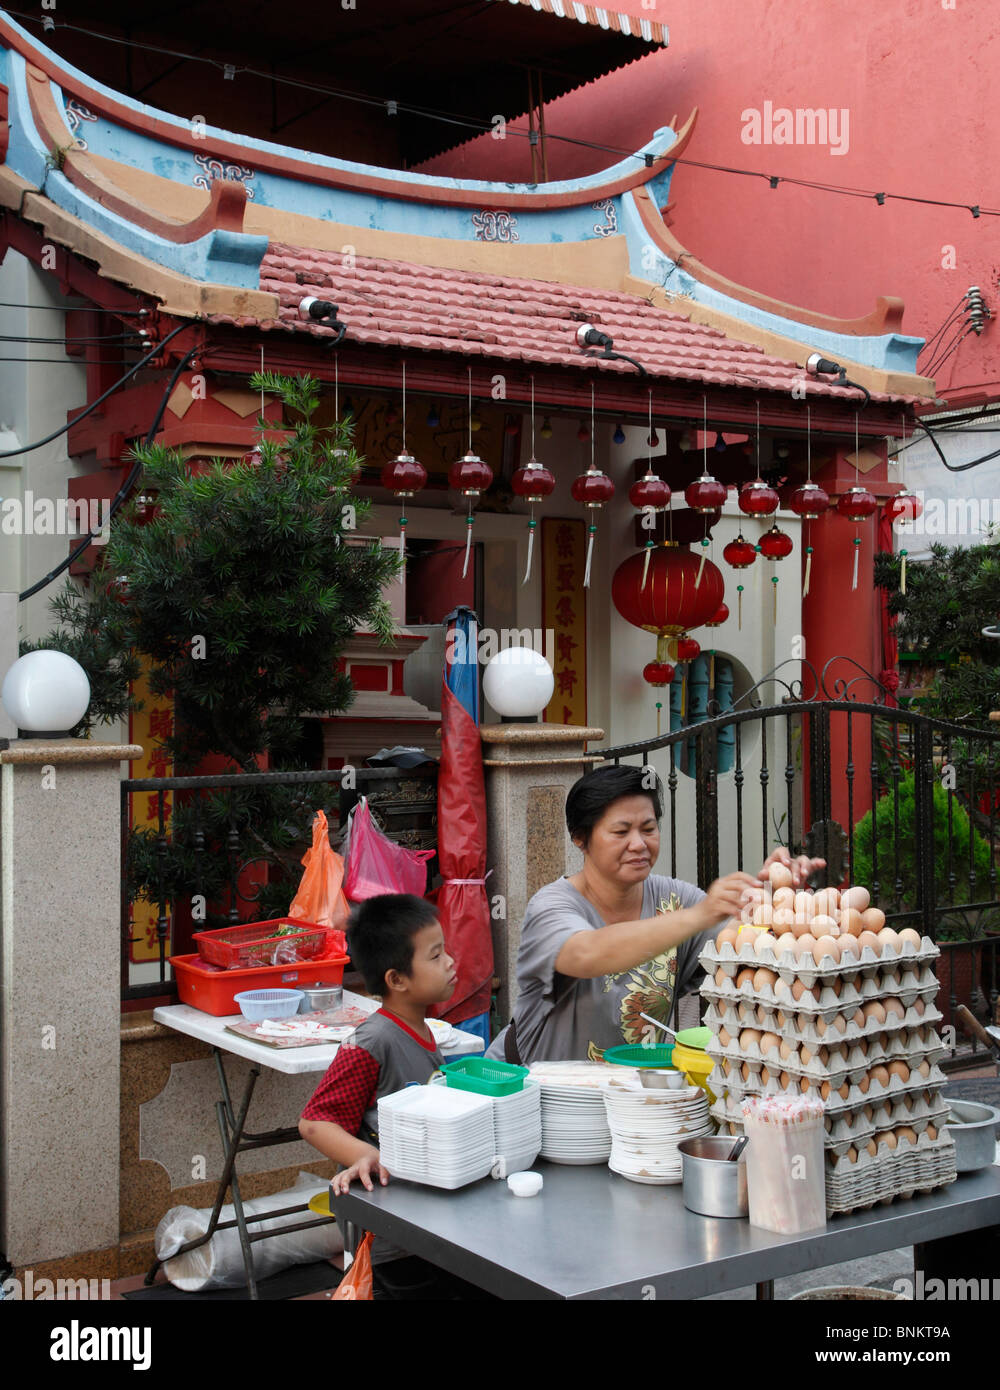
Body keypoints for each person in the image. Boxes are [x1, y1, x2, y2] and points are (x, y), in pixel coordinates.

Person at [487, 763, 825, 1065]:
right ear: (580, 838)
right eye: (621, 832)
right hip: (538, 1096)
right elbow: (587, 952)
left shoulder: (675, 898)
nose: (639, 843)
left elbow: (733, 944)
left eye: (648, 829)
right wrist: (700, 914)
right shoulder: (552, 906)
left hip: (632, 1101)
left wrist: (769, 896)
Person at [298, 893, 492, 1300]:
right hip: (391, 1235)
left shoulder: (423, 1030)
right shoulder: (374, 1039)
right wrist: (364, 1155)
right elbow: (316, 1121)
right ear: (397, 979)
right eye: (436, 956)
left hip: (425, 1220)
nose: (451, 962)